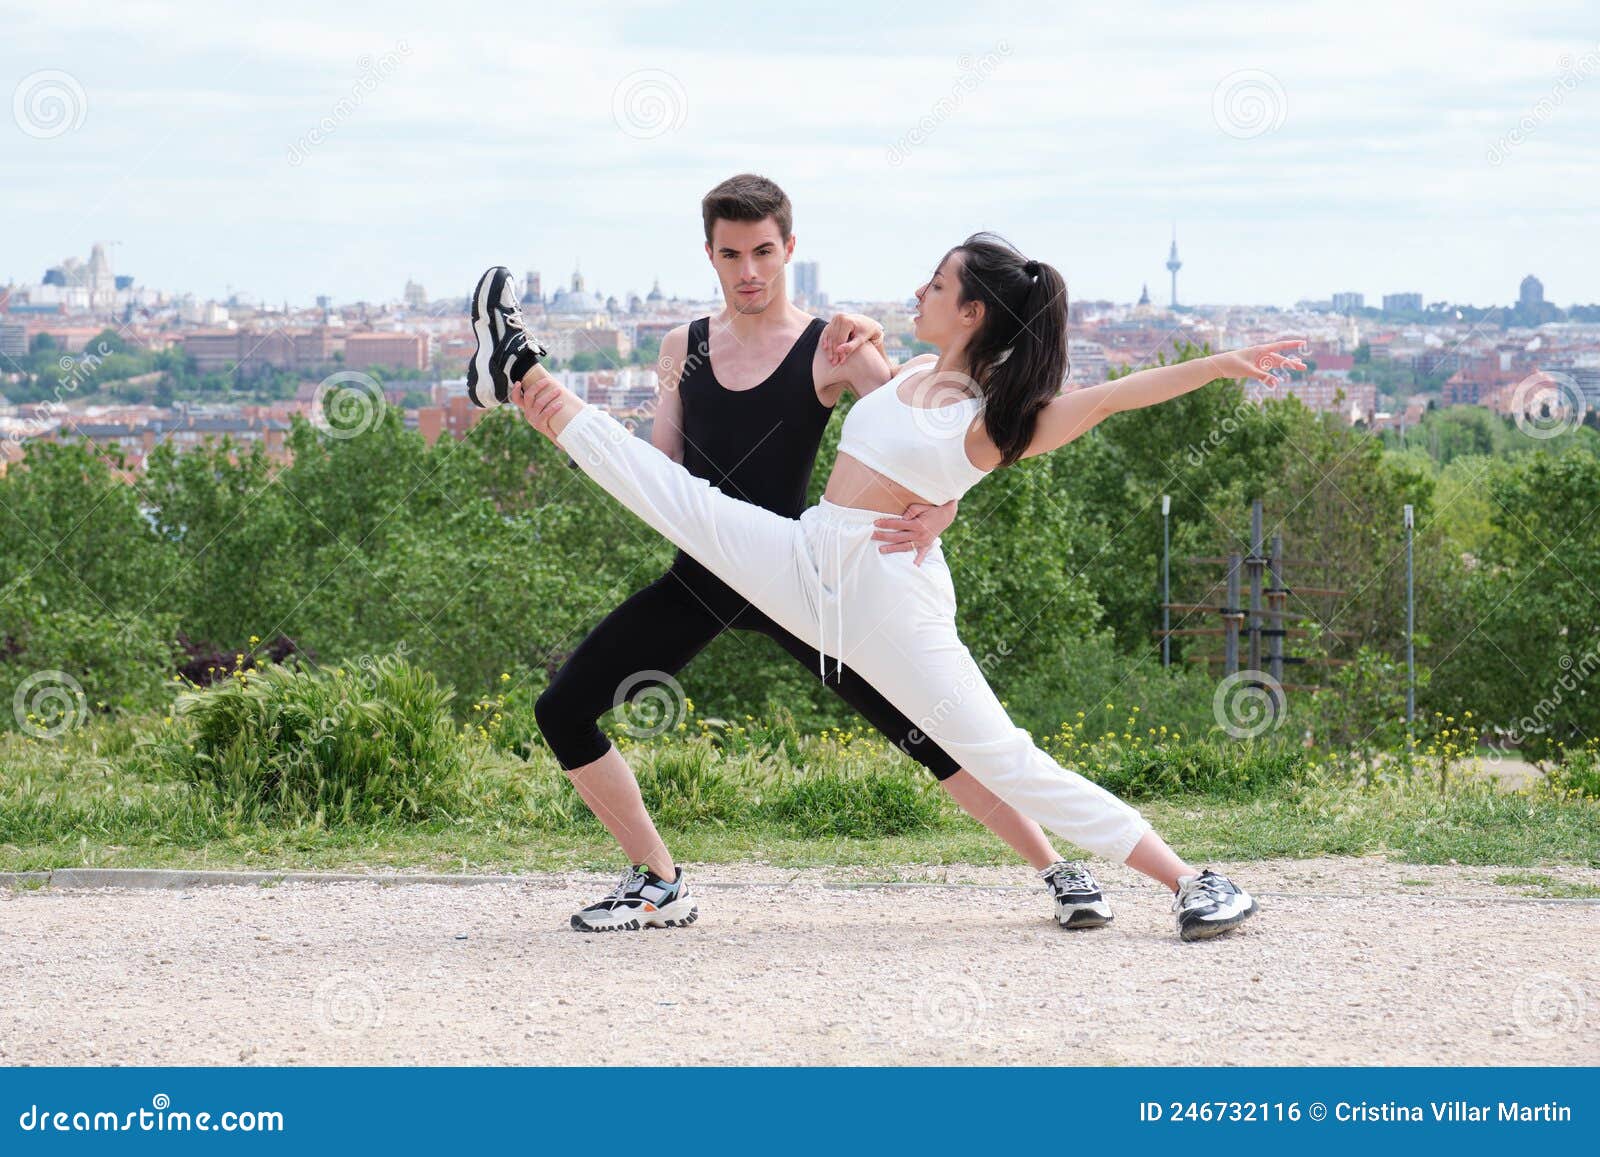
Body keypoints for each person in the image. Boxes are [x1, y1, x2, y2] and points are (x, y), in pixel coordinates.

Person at [488, 229, 1306, 941]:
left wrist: (1218, 366)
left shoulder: (996, 415)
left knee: (1003, 758)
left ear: (973, 311)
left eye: (938, 284)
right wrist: (939, 496)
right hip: (815, 552)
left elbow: (1106, 402)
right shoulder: (915, 369)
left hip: (887, 598)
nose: (920, 290)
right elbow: (900, 451)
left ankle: (1194, 880)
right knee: (683, 506)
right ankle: (519, 372)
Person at [471, 174, 1111, 933]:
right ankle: (657, 880)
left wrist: (943, 511)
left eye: (764, 252)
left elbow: (939, 434)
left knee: (931, 729)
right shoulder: (685, 347)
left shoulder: (833, 347)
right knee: (563, 710)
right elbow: (665, 471)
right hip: (707, 575)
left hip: (808, 582)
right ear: (709, 254)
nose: (749, 271)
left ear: (789, 250)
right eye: (732, 253)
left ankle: (1058, 869)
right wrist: (587, 443)